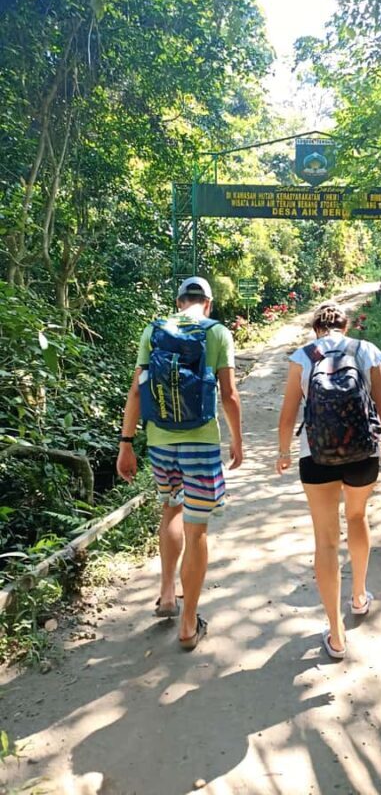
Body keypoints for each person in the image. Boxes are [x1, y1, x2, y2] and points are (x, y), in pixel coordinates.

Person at [276, 302, 381, 660]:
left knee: (325, 540)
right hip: (362, 453)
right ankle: (358, 596)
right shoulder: (365, 350)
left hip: (315, 455)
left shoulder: (303, 356)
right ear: (346, 326)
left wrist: (283, 452)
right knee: (356, 517)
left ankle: (336, 636)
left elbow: (289, 412)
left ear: (316, 328)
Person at [116, 276, 243, 650]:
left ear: (178, 301)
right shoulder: (217, 332)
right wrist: (237, 440)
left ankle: (168, 593)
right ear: (209, 303)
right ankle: (188, 624)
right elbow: (229, 394)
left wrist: (126, 444)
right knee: (196, 528)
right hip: (200, 442)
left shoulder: (153, 330)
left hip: (160, 440)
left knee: (171, 508)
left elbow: (136, 390)